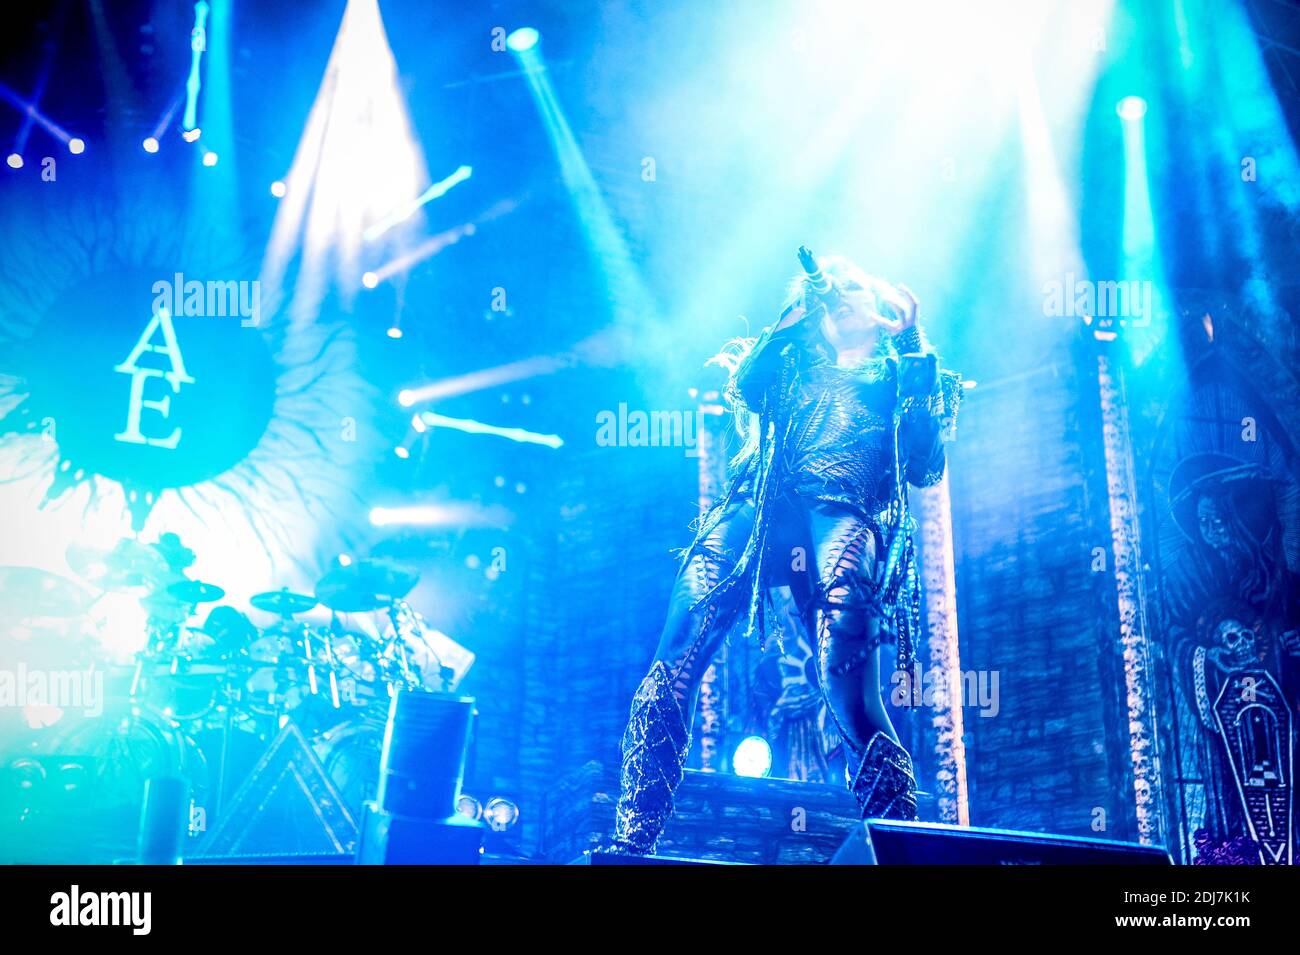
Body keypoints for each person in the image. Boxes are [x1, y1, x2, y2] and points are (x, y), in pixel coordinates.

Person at [607, 251, 962, 855]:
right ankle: (634, 838)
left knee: (846, 680)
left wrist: (914, 352)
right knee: (680, 643)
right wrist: (801, 311)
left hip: (840, 511)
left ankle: (897, 843)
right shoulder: (790, 363)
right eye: (836, 290)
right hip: (760, 505)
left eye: (856, 285)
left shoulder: (903, 371)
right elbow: (747, 381)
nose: (846, 294)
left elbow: (926, 467)